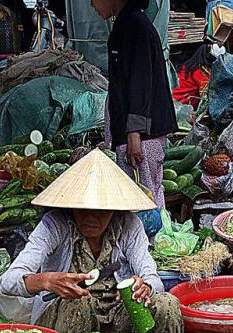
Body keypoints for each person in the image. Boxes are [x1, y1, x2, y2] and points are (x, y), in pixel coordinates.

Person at [0, 149, 184, 333]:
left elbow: (152, 277)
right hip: (66, 319)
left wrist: (146, 287)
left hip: (119, 317)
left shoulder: (128, 225)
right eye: (83, 209)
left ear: (114, 208)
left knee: (166, 303)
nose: (91, 217)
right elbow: (8, 282)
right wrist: (46, 281)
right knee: (77, 302)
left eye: (101, 210)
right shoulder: (55, 224)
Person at [92, 0, 177, 210]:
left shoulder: (134, 25)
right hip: (136, 131)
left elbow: (140, 80)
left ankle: (151, 232)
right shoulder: (126, 23)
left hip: (142, 135)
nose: (92, 4)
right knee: (144, 195)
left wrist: (134, 132)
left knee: (143, 199)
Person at [172, 43, 216, 110]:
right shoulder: (200, 71)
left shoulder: (186, 67)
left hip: (173, 103)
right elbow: (206, 97)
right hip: (182, 107)